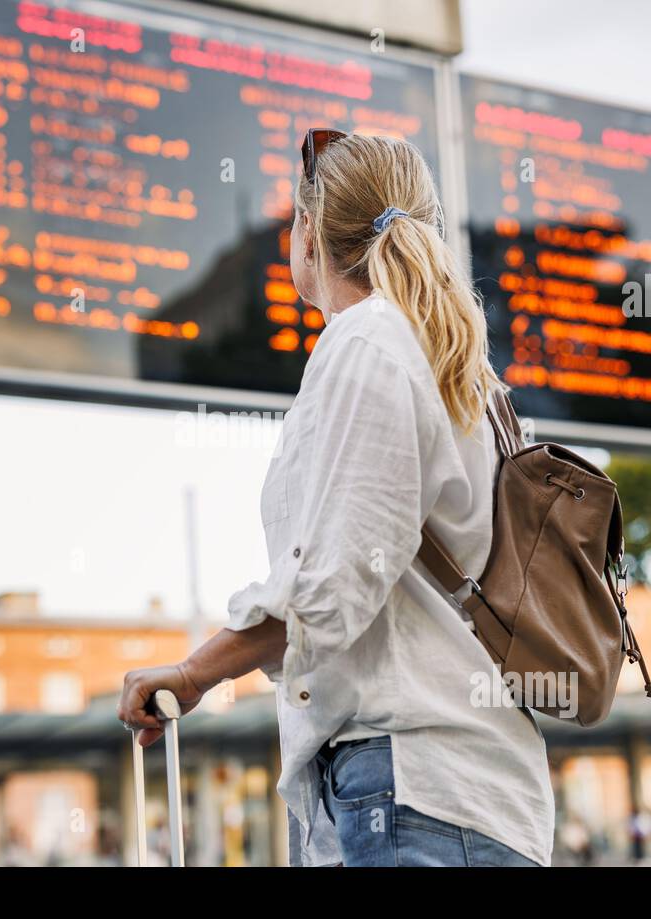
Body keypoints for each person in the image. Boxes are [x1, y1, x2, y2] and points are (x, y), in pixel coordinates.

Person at [118, 130, 554, 867]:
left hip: (415, 796)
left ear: (309, 231)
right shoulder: (457, 367)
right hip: (470, 800)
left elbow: (330, 593)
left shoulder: (368, 343)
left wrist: (195, 674)